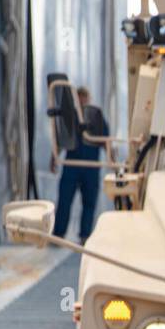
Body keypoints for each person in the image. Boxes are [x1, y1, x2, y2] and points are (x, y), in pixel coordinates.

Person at [50, 86, 109, 242]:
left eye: (84, 97)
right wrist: (54, 158)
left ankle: (84, 235)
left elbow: (106, 140)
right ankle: (59, 233)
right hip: (72, 165)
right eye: (79, 97)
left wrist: (112, 157)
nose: (82, 100)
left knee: (89, 202)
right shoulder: (70, 116)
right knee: (64, 200)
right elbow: (60, 140)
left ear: (88, 98)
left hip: (90, 166)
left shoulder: (96, 115)